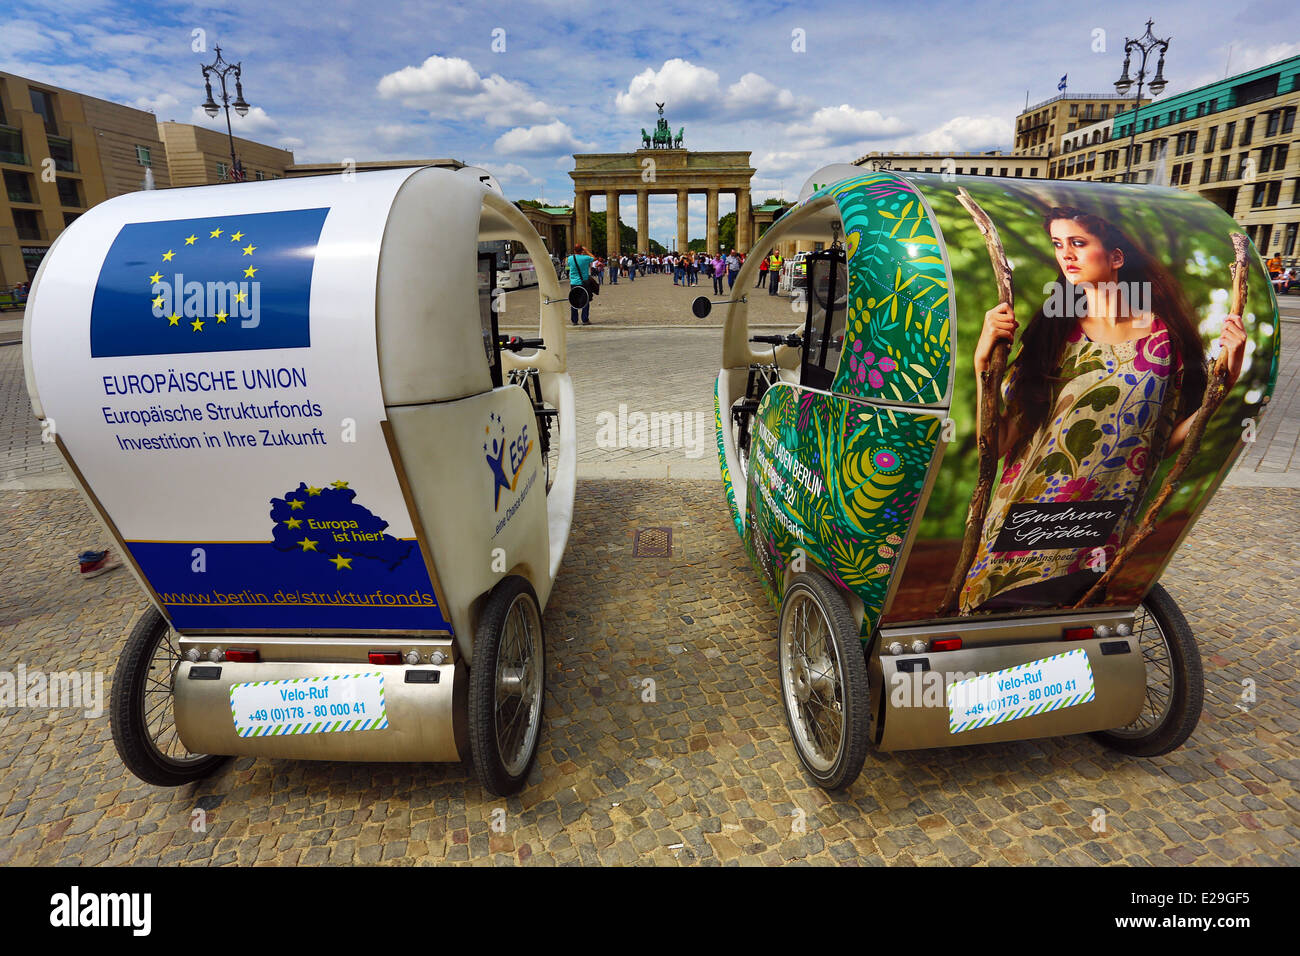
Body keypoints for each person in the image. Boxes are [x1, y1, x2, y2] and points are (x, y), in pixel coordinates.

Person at [959, 206, 1247, 613]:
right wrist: (981, 368)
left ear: (1116, 256)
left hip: (1098, 532)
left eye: (1078, 242)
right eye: (1058, 244)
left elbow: (1157, 447)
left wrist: (1225, 383)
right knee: (991, 639)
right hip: (1020, 531)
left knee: (1071, 644)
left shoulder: (1164, 341)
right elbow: (1001, 441)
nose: (1066, 255)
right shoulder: (1051, 334)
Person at [566, 245, 595, 325]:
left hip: (573, 283)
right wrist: (586, 251)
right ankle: (585, 319)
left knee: (573, 301)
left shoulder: (570, 258)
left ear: (574, 251)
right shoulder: (585, 258)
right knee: (586, 301)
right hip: (584, 283)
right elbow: (594, 258)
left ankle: (574, 320)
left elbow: (567, 264)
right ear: (581, 250)